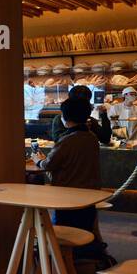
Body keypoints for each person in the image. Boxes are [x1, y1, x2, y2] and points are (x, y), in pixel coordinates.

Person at [33, 96, 108, 260]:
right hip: (88, 196)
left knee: (65, 232)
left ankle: (64, 265)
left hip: (67, 197)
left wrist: (37, 159)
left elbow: (48, 165)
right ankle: (85, 266)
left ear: (65, 118)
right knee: (85, 230)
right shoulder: (92, 138)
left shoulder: (66, 140)